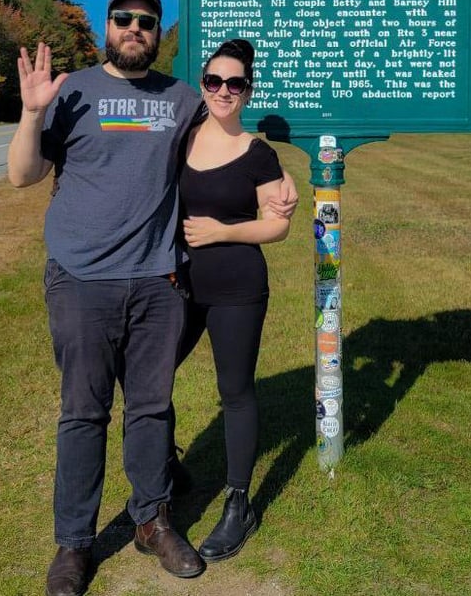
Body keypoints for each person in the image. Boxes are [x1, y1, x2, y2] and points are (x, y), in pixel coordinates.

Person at [8, 0, 296, 596]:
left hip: (158, 280)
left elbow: (228, 137)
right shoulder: (74, 90)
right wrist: (33, 113)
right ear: (106, 27)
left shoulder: (182, 97)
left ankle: (152, 520)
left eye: (146, 20)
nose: (134, 28)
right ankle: (74, 544)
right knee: (84, 412)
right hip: (82, 279)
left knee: (151, 409)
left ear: (158, 31)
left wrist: (278, 176)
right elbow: (22, 176)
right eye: (123, 19)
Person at [175, 39, 291, 562]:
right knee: (145, 378)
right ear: (204, 85)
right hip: (176, 284)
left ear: (248, 90)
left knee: (235, 391)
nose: (224, 91)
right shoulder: (180, 138)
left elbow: (278, 225)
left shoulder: (257, 152)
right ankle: (166, 471)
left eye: (236, 83)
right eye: (215, 81)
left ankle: (238, 503)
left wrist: (224, 232)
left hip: (237, 286)